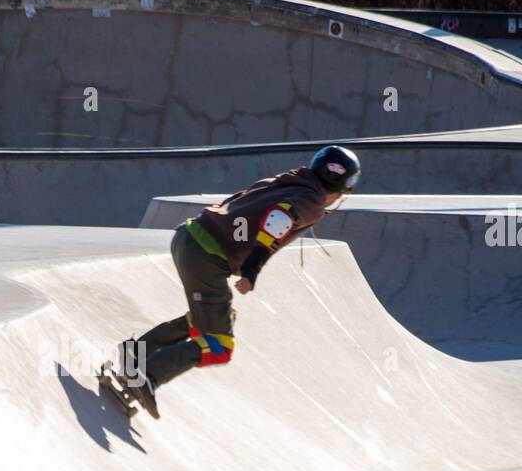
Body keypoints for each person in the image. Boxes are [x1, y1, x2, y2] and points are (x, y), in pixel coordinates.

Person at [114, 145, 361, 418]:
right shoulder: (312, 203)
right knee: (219, 344)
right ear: (340, 192)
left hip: (190, 237)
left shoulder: (284, 180)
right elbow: (278, 218)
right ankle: (147, 374)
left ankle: (135, 352)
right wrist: (252, 268)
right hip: (208, 255)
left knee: (215, 319)